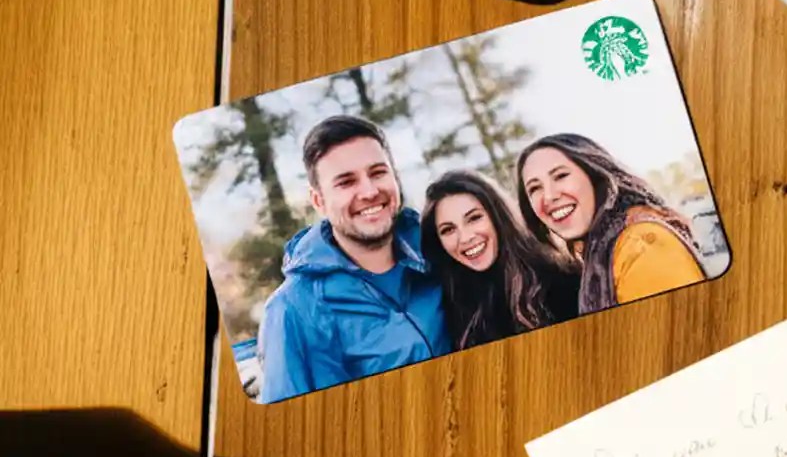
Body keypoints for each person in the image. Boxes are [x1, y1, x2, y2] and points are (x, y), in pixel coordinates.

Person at [257, 115, 453, 403]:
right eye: (346, 182)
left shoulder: (442, 253)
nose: (370, 191)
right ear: (319, 201)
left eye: (377, 173)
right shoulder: (292, 310)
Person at [515, 133, 708, 313]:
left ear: (595, 175)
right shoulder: (596, 254)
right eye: (534, 188)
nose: (549, 196)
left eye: (561, 176)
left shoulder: (641, 244)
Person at [419, 170, 580, 349]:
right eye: (448, 230)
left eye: (474, 218)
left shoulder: (559, 279)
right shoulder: (450, 305)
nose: (465, 238)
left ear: (497, 215)